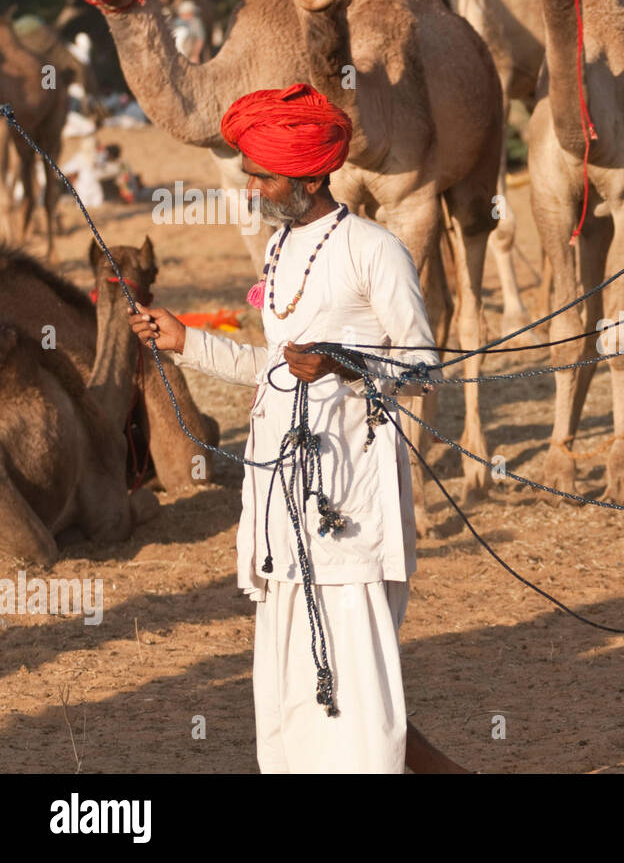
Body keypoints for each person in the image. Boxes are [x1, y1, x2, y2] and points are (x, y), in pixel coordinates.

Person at [129, 82, 459, 773]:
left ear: (309, 175)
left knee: (355, 680)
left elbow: (424, 368)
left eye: (263, 175)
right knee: (292, 680)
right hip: (282, 496)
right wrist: (184, 340)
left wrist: (344, 364)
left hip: (348, 497)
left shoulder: (374, 249)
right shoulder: (281, 251)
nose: (251, 186)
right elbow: (275, 368)